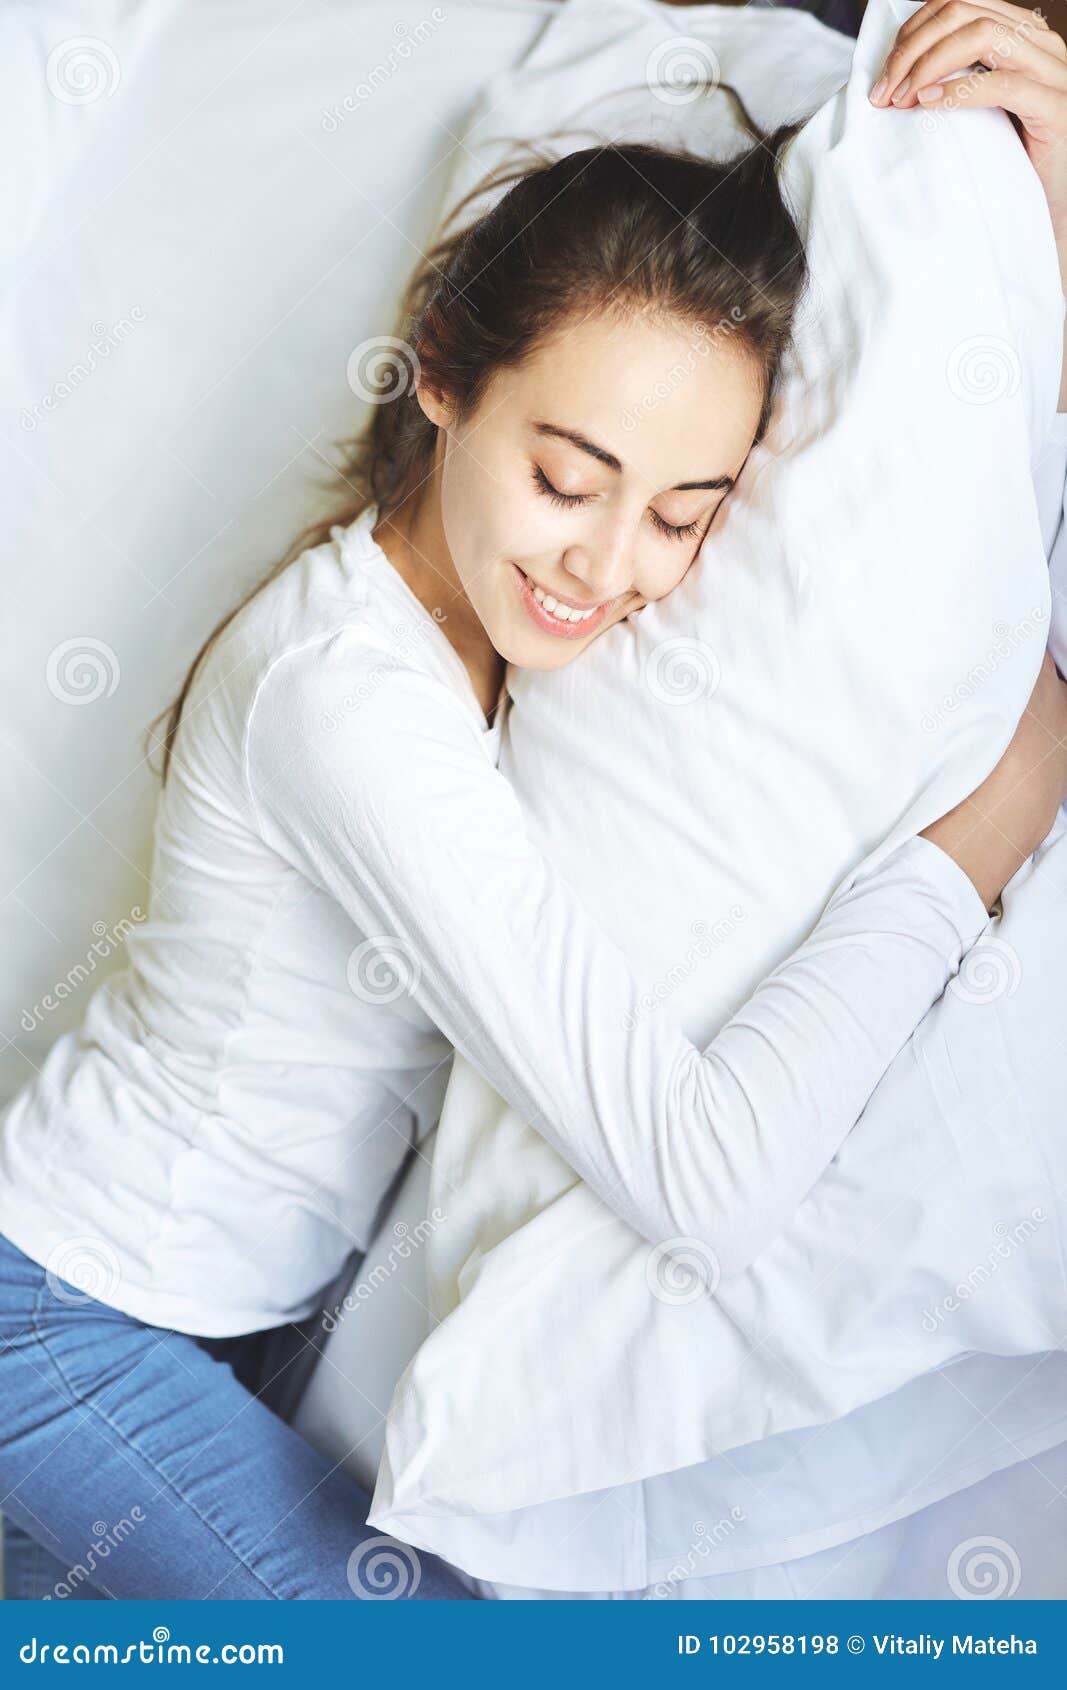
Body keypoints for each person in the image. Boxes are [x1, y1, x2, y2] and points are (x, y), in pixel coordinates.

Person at [2, 35, 1066, 1598]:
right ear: (439, 377)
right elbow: (699, 1173)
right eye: (571, 477)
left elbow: (921, 493)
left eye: (683, 516)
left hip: (245, 1328)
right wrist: (989, 826)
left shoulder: (523, 647)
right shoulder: (341, 695)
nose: (607, 566)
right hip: (71, 1317)